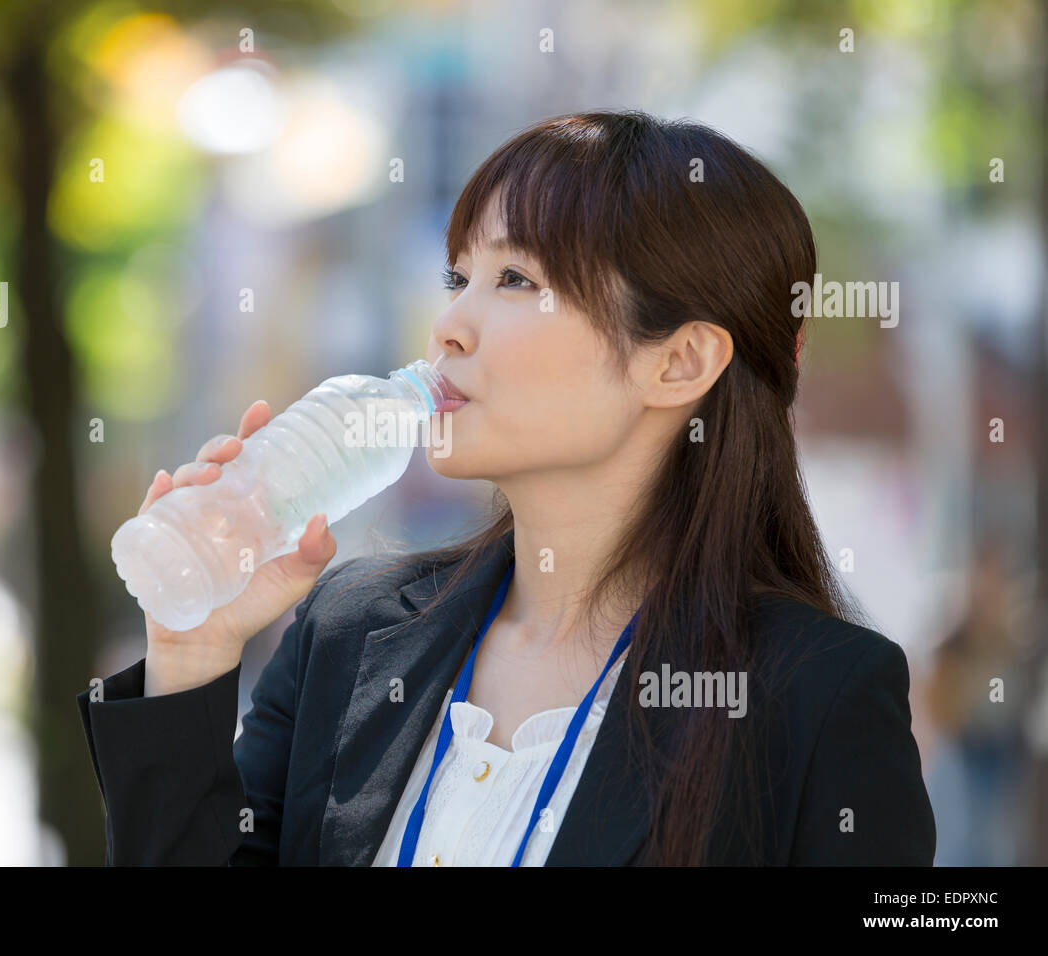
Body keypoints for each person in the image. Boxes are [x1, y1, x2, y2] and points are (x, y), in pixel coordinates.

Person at [76, 110, 936, 866]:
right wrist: (192, 653)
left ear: (679, 362)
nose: (448, 326)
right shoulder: (352, 632)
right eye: (459, 278)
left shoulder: (811, 696)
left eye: (517, 280)